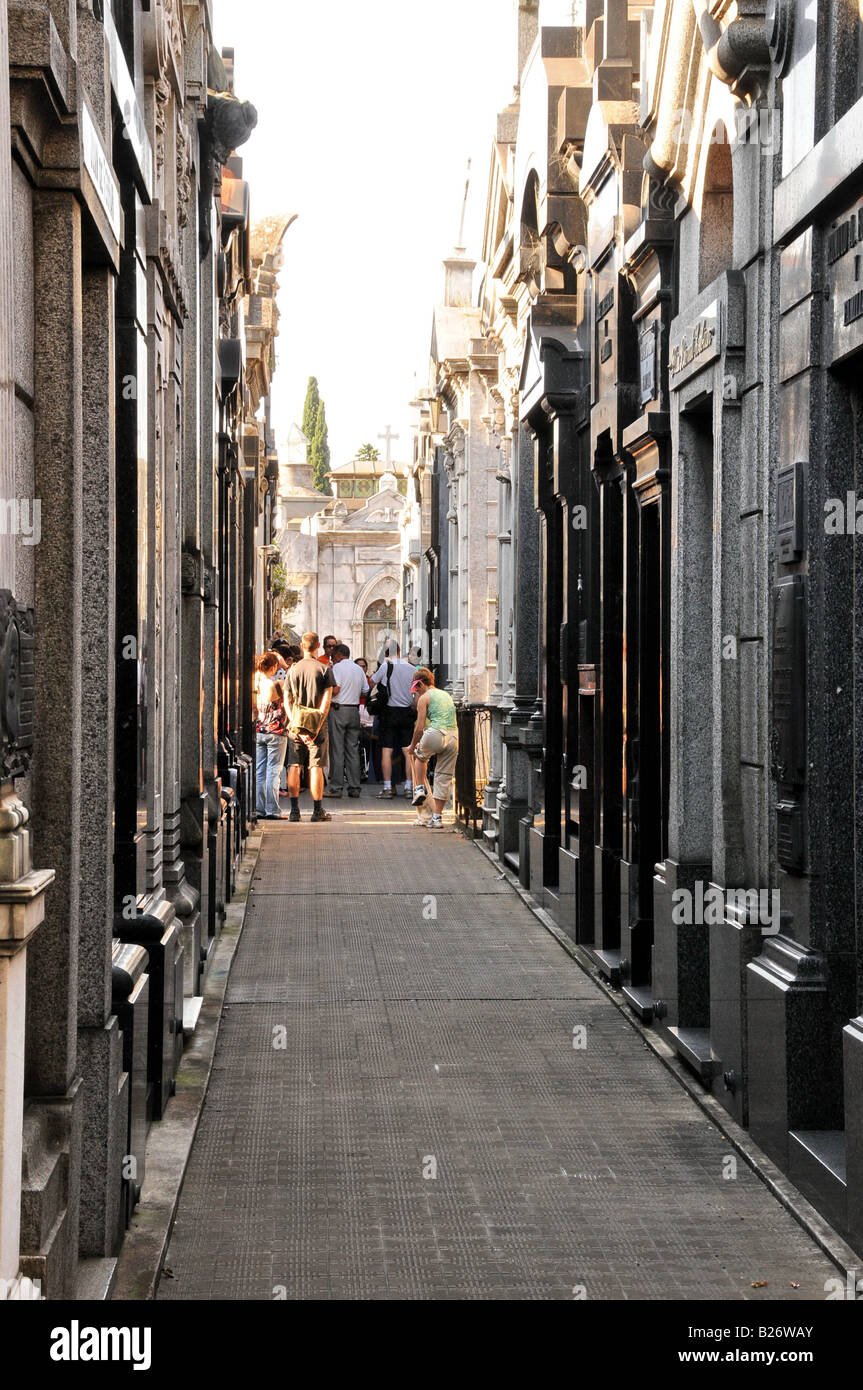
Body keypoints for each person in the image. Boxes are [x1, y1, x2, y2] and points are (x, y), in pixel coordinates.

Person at [285, 632, 336, 822]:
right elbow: (326, 701)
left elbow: (286, 701)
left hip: (296, 724)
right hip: (317, 726)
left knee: (294, 765)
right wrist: (316, 726)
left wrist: (295, 723)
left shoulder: (293, 670)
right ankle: (317, 811)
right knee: (316, 766)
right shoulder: (324, 669)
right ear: (318, 647)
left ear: (301, 646)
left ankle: (294, 811)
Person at [407, 668, 458, 830]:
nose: (417, 692)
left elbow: (420, 728)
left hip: (435, 733)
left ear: (421, 683)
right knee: (443, 776)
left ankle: (419, 789)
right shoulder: (446, 695)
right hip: (453, 736)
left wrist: (412, 744)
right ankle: (437, 818)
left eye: (417, 688)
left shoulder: (425, 697)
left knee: (419, 757)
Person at [371, 642, 418, 798]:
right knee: (407, 751)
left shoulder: (385, 667)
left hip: (389, 712)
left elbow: (371, 683)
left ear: (385, 653)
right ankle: (409, 787)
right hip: (407, 712)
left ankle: (387, 787)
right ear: (399, 650)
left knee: (387, 750)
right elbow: (416, 692)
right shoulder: (413, 669)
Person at [326, 644, 368, 798]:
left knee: (337, 749)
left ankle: (336, 787)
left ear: (338, 655)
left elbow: (336, 689)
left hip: (338, 709)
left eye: (333, 656)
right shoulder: (358, 669)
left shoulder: (337, 668)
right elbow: (365, 689)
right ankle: (354, 786)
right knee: (352, 749)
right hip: (354, 710)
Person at [255, 671, 290, 820]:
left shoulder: (258, 689)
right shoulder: (279, 688)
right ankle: (273, 810)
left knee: (260, 772)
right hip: (276, 732)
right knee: (274, 771)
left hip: (260, 730)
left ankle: (259, 809)